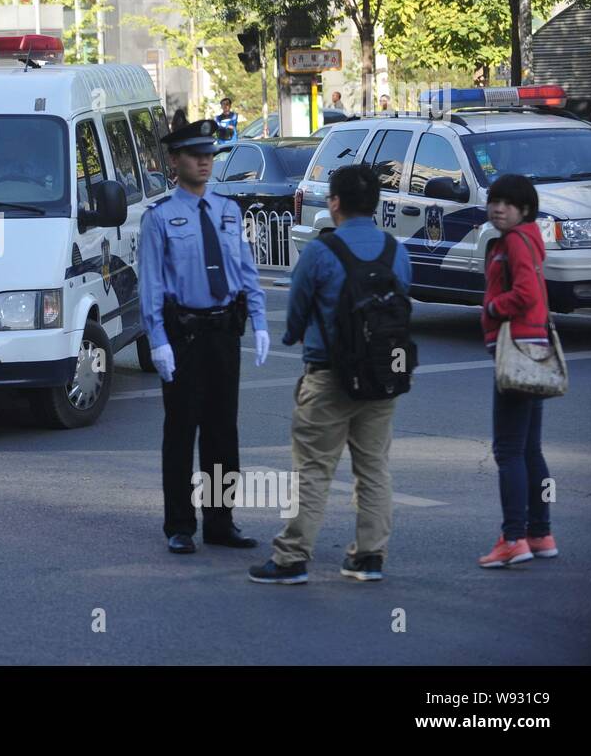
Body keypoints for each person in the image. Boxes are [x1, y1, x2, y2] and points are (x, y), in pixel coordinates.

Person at [249, 165, 412, 584]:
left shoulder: (322, 252)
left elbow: (298, 310)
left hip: (328, 377)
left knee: (314, 469)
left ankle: (292, 559)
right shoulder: (396, 251)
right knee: (374, 467)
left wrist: (292, 336)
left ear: (334, 202)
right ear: (374, 202)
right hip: (382, 378)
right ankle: (369, 556)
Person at [139, 120, 270, 555]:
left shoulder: (229, 211)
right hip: (184, 336)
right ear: (174, 161)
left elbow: (245, 270)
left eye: (210, 154)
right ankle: (179, 524)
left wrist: (261, 319)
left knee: (222, 432)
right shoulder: (158, 218)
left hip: (223, 332)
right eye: (195, 154)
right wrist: (157, 339)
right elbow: (152, 285)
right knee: (181, 432)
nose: (204, 161)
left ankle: (220, 520)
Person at [478, 173, 557, 568]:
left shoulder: (514, 241)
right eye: (494, 201)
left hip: (517, 353)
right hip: (535, 348)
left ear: (524, 209)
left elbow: (524, 293)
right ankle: (540, 533)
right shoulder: (527, 238)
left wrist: (493, 309)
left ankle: (513, 538)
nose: (498, 208)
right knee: (529, 449)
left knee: (508, 450)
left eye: (507, 203)